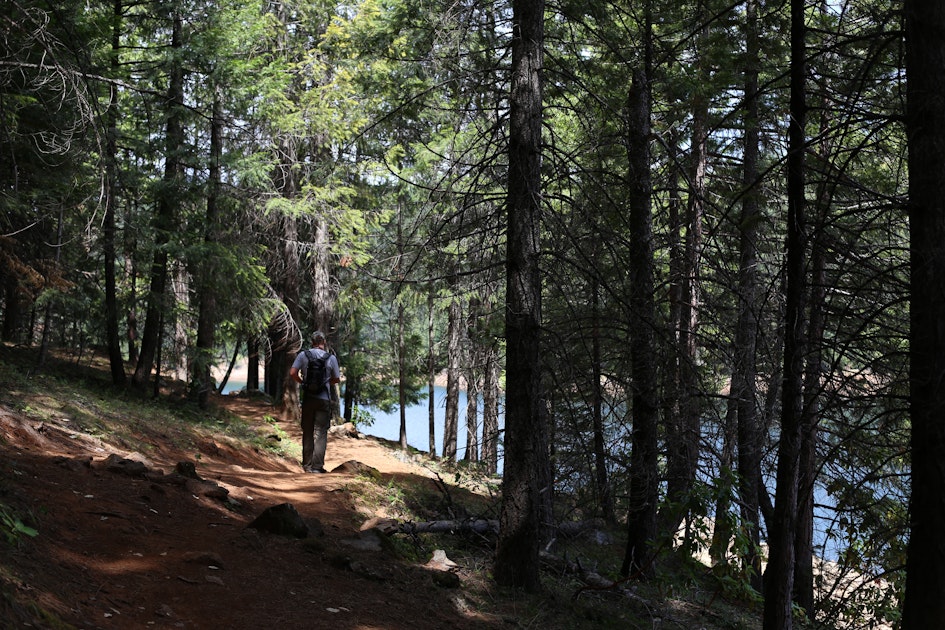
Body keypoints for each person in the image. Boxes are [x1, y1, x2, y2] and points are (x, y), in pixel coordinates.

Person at [289, 331, 341, 473]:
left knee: (307, 431)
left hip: (308, 398)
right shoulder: (331, 358)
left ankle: (307, 465)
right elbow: (336, 379)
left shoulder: (303, 355)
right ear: (323, 342)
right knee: (321, 433)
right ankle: (317, 467)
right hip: (323, 399)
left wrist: (303, 382)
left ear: (312, 342)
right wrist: (326, 383)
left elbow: (293, 372)